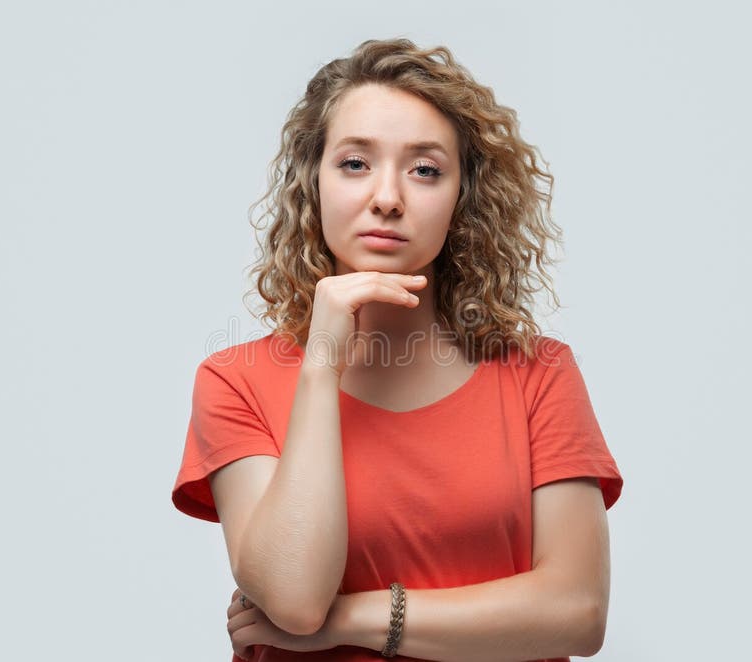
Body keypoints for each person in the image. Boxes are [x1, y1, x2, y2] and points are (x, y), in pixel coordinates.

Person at [171, 38, 624, 662]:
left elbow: (577, 612)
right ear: (314, 182)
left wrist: (353, 619)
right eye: (355, 163)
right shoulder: (236, 381)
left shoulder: (538, 375)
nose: (387, 197)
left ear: (464, 200)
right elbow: (297, 598)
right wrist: (322, 362)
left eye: (425, 169)